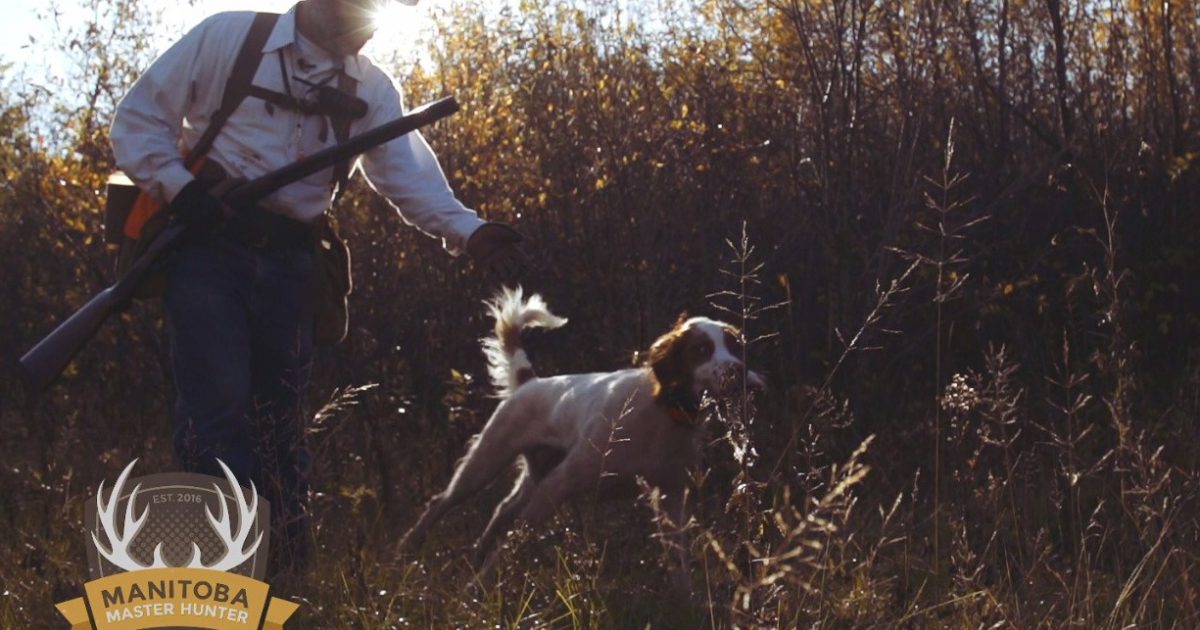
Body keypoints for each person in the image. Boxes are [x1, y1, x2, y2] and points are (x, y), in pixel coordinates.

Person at [109, 0, 524, 576]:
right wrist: (181, 190)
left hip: (292, 265)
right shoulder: (230, 37)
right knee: (216, 415)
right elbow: (138, 119)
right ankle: (223, 577)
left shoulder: (374, 90)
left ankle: (285, 578)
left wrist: (472, 232)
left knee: (279, 426)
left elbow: (408, 178)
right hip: (206, 253)